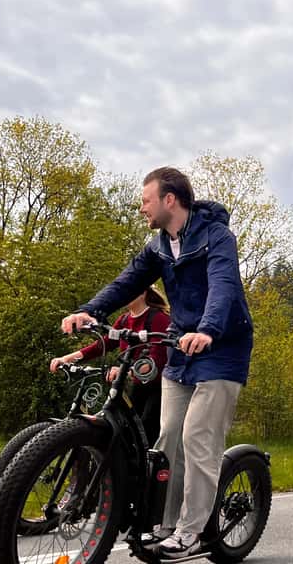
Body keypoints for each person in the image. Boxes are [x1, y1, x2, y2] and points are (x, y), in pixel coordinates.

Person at [61, 167, 254, 558]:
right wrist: (89, 311)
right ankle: (167, 526)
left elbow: (223, 286)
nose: (141, 207)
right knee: (167, 440)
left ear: (169, 200)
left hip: (221, 347)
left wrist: (209, 330)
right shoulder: (160, 246)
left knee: (198, 438)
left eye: (146, 200)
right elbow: (127, 282)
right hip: (181, 347)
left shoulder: (217, 237)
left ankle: (192, 532)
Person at [51, 286, 171, 442]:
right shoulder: (124, 320)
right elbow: (103, 344)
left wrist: (124, 369)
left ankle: (157, 465)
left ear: (143, 292)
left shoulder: (158, 318)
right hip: (139, 385)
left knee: (147, 430)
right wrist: (67, 358)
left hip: (161, 386)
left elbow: (158, 358)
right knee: (126, 430)